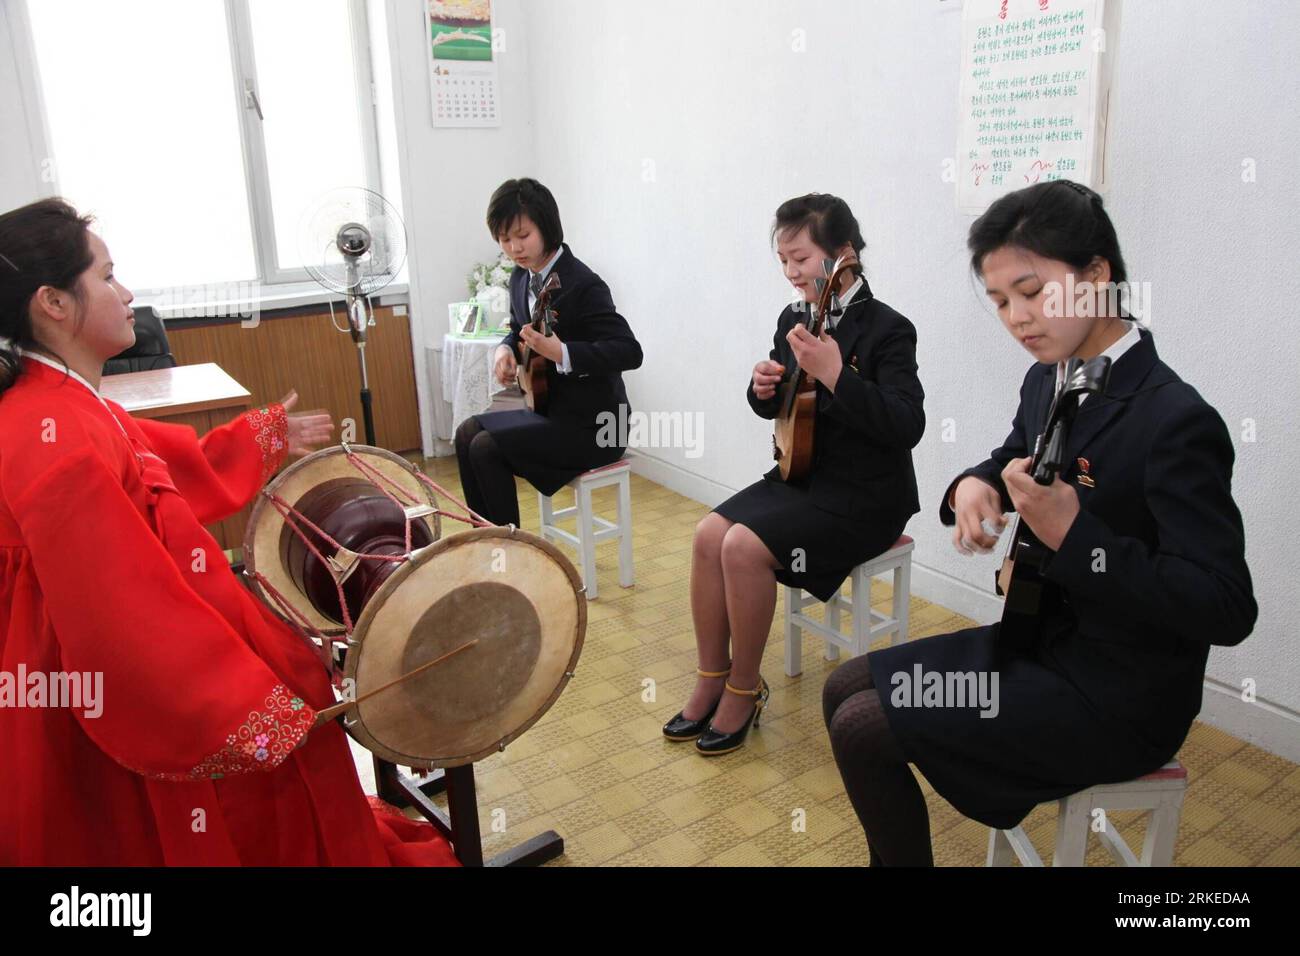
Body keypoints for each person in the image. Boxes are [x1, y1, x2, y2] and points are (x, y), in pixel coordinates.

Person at [0, 197, 458, 865]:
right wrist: (238, 706)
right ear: (53, 303)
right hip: (108, 698)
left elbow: (158, 468)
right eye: (106, 277)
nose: (127, 294)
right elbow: (122, 620)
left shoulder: (63, 402)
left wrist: (258, 437)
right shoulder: (57, 435)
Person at [823, 180, 1257, 865]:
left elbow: (1227, 607)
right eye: (1000, 302)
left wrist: (1076, 537)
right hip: (1039, 639)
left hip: (1120, 693)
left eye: (1031, 292)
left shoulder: (1175, 420)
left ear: (1095, 276)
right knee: (842, 687)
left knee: (864, 726)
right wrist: (975, 483)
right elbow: (1015, 456)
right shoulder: (1051, 375)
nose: (1017, 318)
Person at [664, 193, 925, 756]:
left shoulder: (889, 329)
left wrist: (837, 375)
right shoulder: (795, 317)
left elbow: (907, 424)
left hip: (866, 494)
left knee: (741, 547)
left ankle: (743, 687)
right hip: (801, 475)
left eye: (801, 258)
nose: (791, 272)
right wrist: (761, 388)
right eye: (783, 260)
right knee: (708, 534)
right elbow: (786, 410)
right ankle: (712, 674)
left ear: (843, 254)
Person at [454, 178, 642, 526]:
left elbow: (629, 352)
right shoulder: (521, 278)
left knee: (486, 447)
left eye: (522, 236)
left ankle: (513, 557)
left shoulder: (584, 284)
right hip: (547, 411)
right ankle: (485, 541)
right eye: (504, 239)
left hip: (598, 426)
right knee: (466, 433)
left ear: (548, 226)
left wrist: (562, 353)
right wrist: (504, 350)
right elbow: (516, 329)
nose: (514, 248)